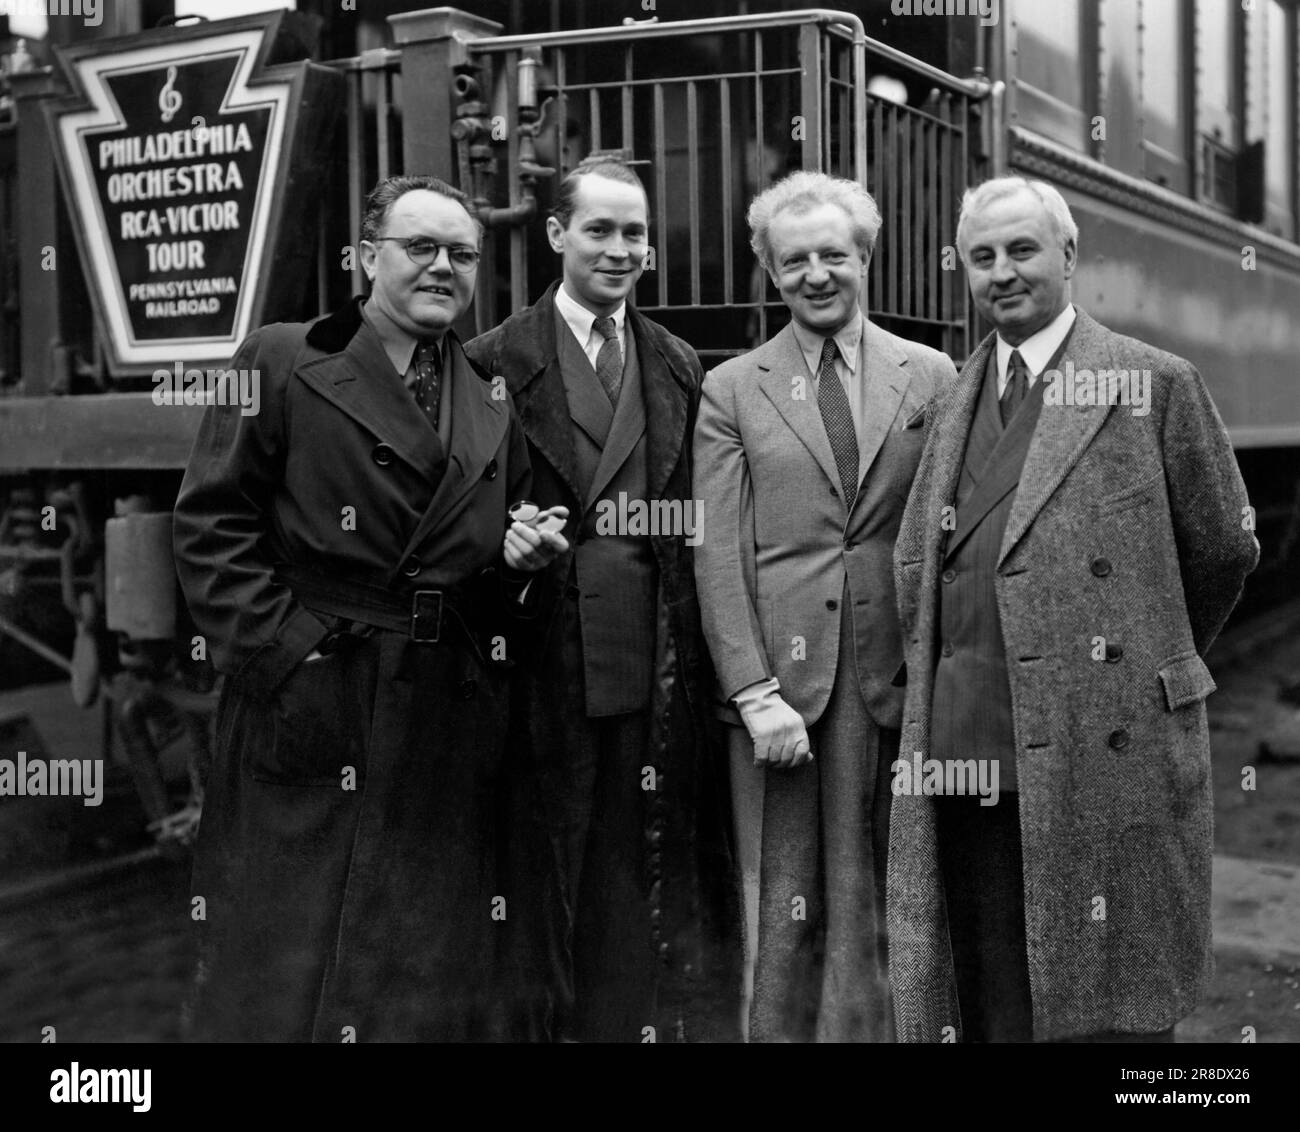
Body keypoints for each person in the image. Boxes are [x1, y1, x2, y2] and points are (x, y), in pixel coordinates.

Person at [173, 175, 566, 1042]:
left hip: (439, 719)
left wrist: (521, 562)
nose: (442, 267)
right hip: (319, 693)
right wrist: (286, 653)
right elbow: (210, 522)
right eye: (418, 247)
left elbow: (496, 572)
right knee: (286, 959)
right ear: (365, 257)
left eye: (461, 254)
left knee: (417, 967)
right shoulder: (282, 357)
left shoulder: (489, 392)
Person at [887, 176, 1260, 1043]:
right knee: (989, 991)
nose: (1002, 273)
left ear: (1069, 254)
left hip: (1102, 741)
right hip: (966, 748)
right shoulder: (954, 397)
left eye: (1022, 250)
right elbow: (920, 561)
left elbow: (1224, 547)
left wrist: (1146, 659)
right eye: (982, 257)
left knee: (1106, 1006)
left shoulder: (1154, 382)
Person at [466, 155, 739, 1043]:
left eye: (634, 234)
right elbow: (455, 525)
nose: (620, 250)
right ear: (555, 236)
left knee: (633, 880)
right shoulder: (492, 361)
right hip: (537, 669)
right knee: (536, 886)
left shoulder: (675, 360)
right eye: (600, 230)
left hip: (648, 669)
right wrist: (509, 551)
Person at [692, 170, 957, 1041]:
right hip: (781, 695)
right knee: (782, 907)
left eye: (833, 255)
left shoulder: (932, 375)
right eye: (794, 259)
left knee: (884, 900)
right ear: (771, 273)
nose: (815, 274)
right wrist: (752, 690)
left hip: (897, 678)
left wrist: (940, 674)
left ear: (864, 258)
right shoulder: (732, 388)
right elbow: (718, 548)